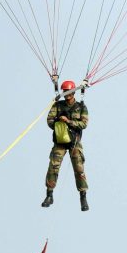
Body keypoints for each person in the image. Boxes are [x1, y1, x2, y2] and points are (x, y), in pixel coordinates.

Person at [41, 81, 89, 211]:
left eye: (68, 93)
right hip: (60, 141)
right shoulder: (57, 106)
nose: (66, 95)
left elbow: (84, 124)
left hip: (74, 142)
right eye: (64, 93)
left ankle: (83, 197)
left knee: (79, 169)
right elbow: (49, 120)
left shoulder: (81, 107)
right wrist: (58, 122)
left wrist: (69, 122)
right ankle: (49, 195)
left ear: (73, 92)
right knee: (53, 166)